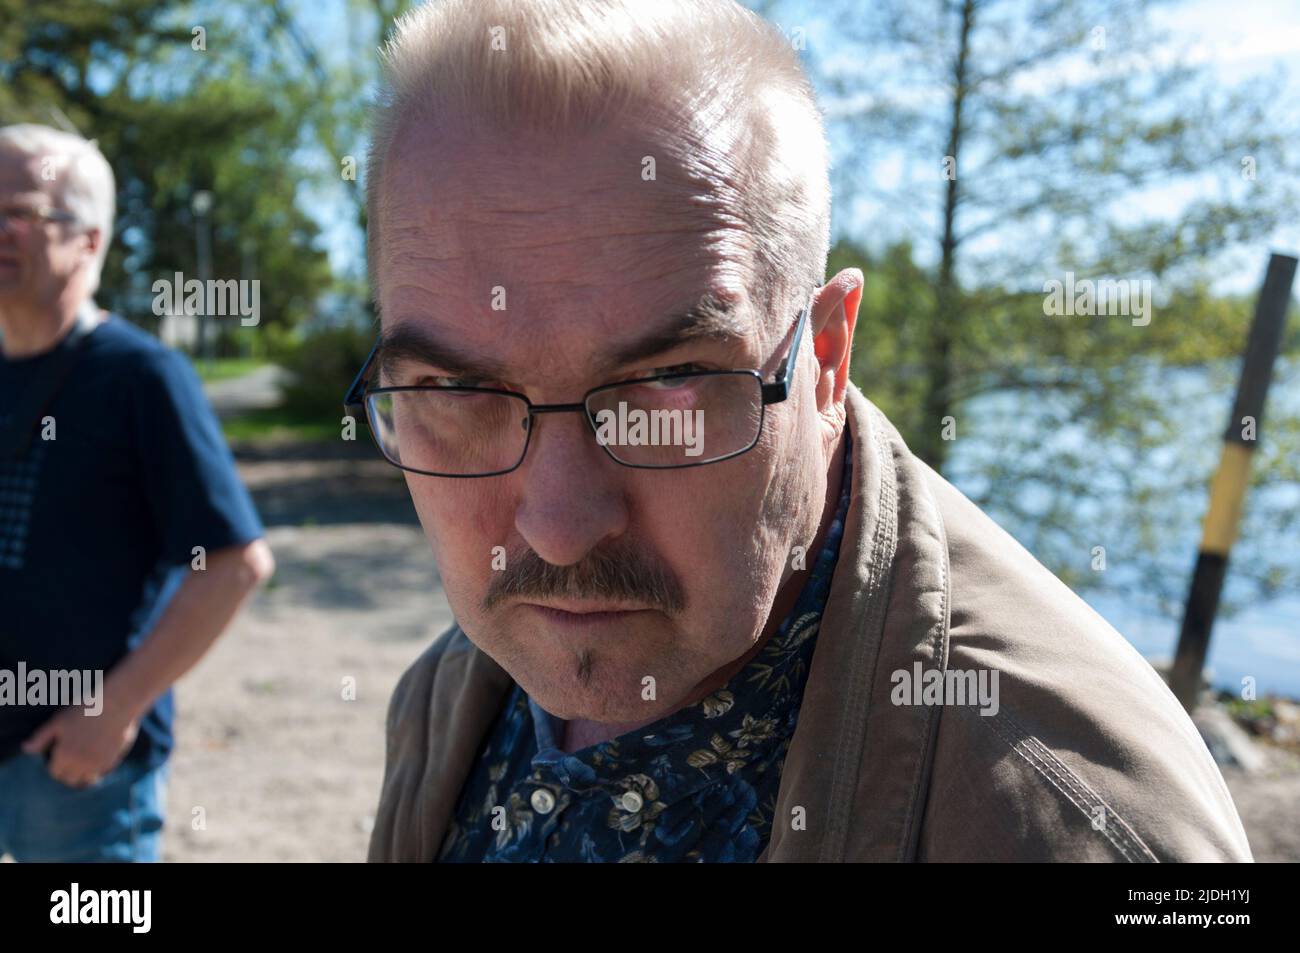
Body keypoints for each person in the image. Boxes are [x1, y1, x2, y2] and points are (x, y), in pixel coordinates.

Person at [356, 0, 1251, 862]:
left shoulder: (1074, 822)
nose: (556, 526)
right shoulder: (450, 695)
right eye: (456, 388)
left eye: (669, 382)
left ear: (826, 357)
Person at [0, 123, 274, 862]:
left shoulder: (141, 377)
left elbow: (232, 562)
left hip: (71, 768)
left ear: (89, 240)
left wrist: (112, 708)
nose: (0, 231)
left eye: (19, 212)